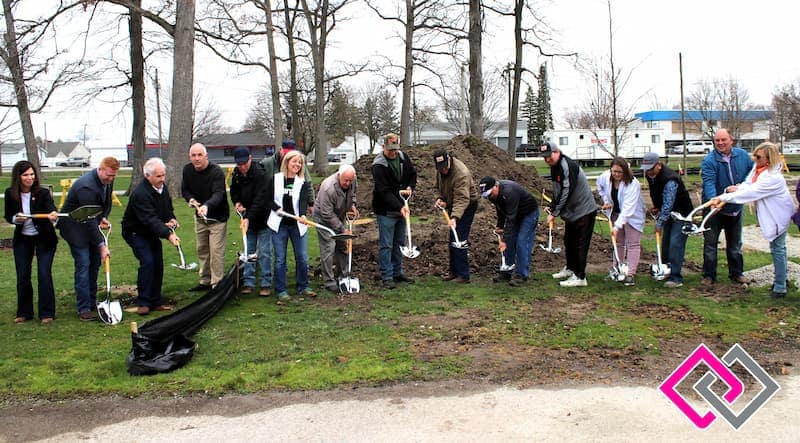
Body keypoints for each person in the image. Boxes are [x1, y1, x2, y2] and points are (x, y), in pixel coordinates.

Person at [710, 142, 793, 299]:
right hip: (770, 212)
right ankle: (782, 279)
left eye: (758, 157)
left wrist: (722, 197)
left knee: (778, 248)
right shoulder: (759, 169)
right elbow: (748, 184)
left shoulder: (773, 177)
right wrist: (737, 187)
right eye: (754, 155)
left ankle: (780, 287)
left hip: (778, 214)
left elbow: (751, 192)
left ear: (769, 159)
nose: (754, 159)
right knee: (776, 247)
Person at [249, 150, 315, 303]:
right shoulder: (275, 179)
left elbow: (303, 201)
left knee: (302, 258)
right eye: (294, 162)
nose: (297, 165)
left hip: (297, 225)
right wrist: (275, 208)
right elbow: (267, 198)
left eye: (299, 163)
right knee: (280, 259)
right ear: (287, 162)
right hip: (279, 226)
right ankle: (281, 290)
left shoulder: (302, 182)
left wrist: (303, 215)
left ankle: (303, 286)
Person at [59, 156, 119, 321]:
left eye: (114, 176)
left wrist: (103, 217)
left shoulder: (107, 180)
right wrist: (101, 244)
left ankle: (92, 301)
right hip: (74, 228)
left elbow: (104, 204)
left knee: (95, 263)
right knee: (84, 264)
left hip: (90, 223)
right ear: (100, 169)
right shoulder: (86, 187)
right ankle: (84, 308)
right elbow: (89, 218)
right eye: (109, 175)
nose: (111, 179)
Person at [121, 158, 180, 315]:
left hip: (151, 232)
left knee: (158, 263)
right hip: (135, 232)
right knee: (147, 261)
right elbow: (150, 219)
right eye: (158, 176)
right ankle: (144, 302)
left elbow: (167, 208)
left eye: (163, 175)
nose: (162, 179)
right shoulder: (140, 194)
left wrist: (171, 219)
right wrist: (168, 234)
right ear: (148, 176)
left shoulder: (162, 188)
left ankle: (155, 300)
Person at [4, 161, 58, 324]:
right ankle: (24, 312)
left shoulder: (42, 193)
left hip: (44, 238)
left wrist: (52, 215)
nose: (30, 178)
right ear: (18, 177)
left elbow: (51, 209)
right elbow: (8, 215)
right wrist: (16, 219)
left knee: (43, 274)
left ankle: (47, 313)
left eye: (32, 174)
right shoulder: (10, 193)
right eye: (26, 175)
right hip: (23, 239)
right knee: (23, 275)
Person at [700, 128, 754, 286]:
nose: (720, 143)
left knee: (735, 245)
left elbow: (752, 174)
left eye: (724, 140)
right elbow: (709, 182)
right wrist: (713, 201)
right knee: (710, 244)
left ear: (731, 140)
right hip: (714, 210)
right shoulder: (710, 160)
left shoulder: (742, 156)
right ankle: (709, 275)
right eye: (717, 140)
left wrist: (742, 187)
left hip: (735, 208)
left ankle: (737, 273)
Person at [541, 141, 597, 287]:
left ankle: (580, 277)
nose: (547, 160)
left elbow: (567, 190)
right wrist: (552, 206)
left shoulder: (567, 165)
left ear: (557, 152)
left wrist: (555, 212)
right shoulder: (554, 167)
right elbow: (557, 190)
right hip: (573, 212)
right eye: (545, 157)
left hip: (584, 210)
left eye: (549, 156)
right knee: (569, 241)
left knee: (580, 243)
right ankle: (571, 268)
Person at [371, 132, 417, 290]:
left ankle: (398, 272)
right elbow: (383, 192)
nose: (394, 152)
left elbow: (412, 174)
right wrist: (400, 206)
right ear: (383, 147)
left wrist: (410, 187)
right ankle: (387, 276)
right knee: (386, 245)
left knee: (399, 242)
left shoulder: (403, 157)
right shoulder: (378, 165)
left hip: (401, 208)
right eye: (390, 149)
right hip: (385, 211)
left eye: (396, 149)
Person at [181, 143, 230, 292]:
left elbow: (218, 194)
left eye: (199, 155)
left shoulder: (216, 172)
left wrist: (206, 206)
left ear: (206, 156)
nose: (196, 158)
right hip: (200, 218)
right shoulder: (187, 170)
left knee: (215, 251)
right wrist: (190, 199)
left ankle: (217, 285)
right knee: (202, 249)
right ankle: (205, 281)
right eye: (193, 155)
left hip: (217, 218)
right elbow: (185, 189)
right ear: (190, 157)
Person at [641, 152, 693, 288]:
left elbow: (669, 202)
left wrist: (659, 222)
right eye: (646, 169)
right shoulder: (651, 175)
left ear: (658, 165)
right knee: (666, 243)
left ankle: (676, 277)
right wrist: (656, 207)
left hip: (682, 214)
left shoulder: (670, 178)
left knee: (675, 243)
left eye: (651, 169)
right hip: (669, 214)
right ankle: (665, 271)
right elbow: (659, 196)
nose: (648, 172)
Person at [479, 176, 539, 286]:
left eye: (490, 194)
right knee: (510, 241)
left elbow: (511, 218)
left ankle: (521, 275)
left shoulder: (509, 192)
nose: (489, 197)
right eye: (486, 195)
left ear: (496, 186)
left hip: (529, 213)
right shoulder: (492, 195)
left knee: (521, 242)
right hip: (515, 214)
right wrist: (500, 226)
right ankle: (507, 271)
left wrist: (504, 240)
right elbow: (501, 210)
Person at [230, 146, 272, 297]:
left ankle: (266, 283)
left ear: (250, 159)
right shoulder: (236, 174)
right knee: (249, 250)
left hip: (264, 218)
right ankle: (248, 282)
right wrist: (237, 202)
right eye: (239, 164)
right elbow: (233, 190)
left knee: (265, 252)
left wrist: (248, 217)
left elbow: (261, 200)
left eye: (244, 164)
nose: (242, 167)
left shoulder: (261, 174)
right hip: (248, 219)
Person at [596, 157, 645, 286]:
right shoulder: (606, 177)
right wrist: (606, 200)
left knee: (633, 244)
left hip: (632, 215)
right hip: (615, 213)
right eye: (614, 171)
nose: (616, 174)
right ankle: (616, 269)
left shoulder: (633, 184)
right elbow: (599, 185)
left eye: (619, 172)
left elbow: (628, 208)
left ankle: (630, 274)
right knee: (618, 243)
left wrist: (617, 226)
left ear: (625, 172)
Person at [434, 149, 478, 284]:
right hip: (454, 203)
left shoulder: (461, 173)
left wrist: (454, 217)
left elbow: (462, 199)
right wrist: (440, 199)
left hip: (467, 204)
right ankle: (453, 272)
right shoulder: (440, 169)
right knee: (452, 239)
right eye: (441, 169)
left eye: (445, 168)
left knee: (459, 238)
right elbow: (440, 187)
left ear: (449, 159)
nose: (444, 171)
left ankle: (463, 275)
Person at [313, 164, 358, 293]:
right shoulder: (328, 188)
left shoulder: (353, 181)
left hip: (340, 214)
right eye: (346, 180)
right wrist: (341, 229)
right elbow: (326, 214)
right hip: (323, 218)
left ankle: (344, 277)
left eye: (350, 180)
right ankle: (329, 281)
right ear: (339, 176)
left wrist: (352, 205)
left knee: (343, 245)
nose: (348, 183)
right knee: (329, 247)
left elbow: (353, 194)